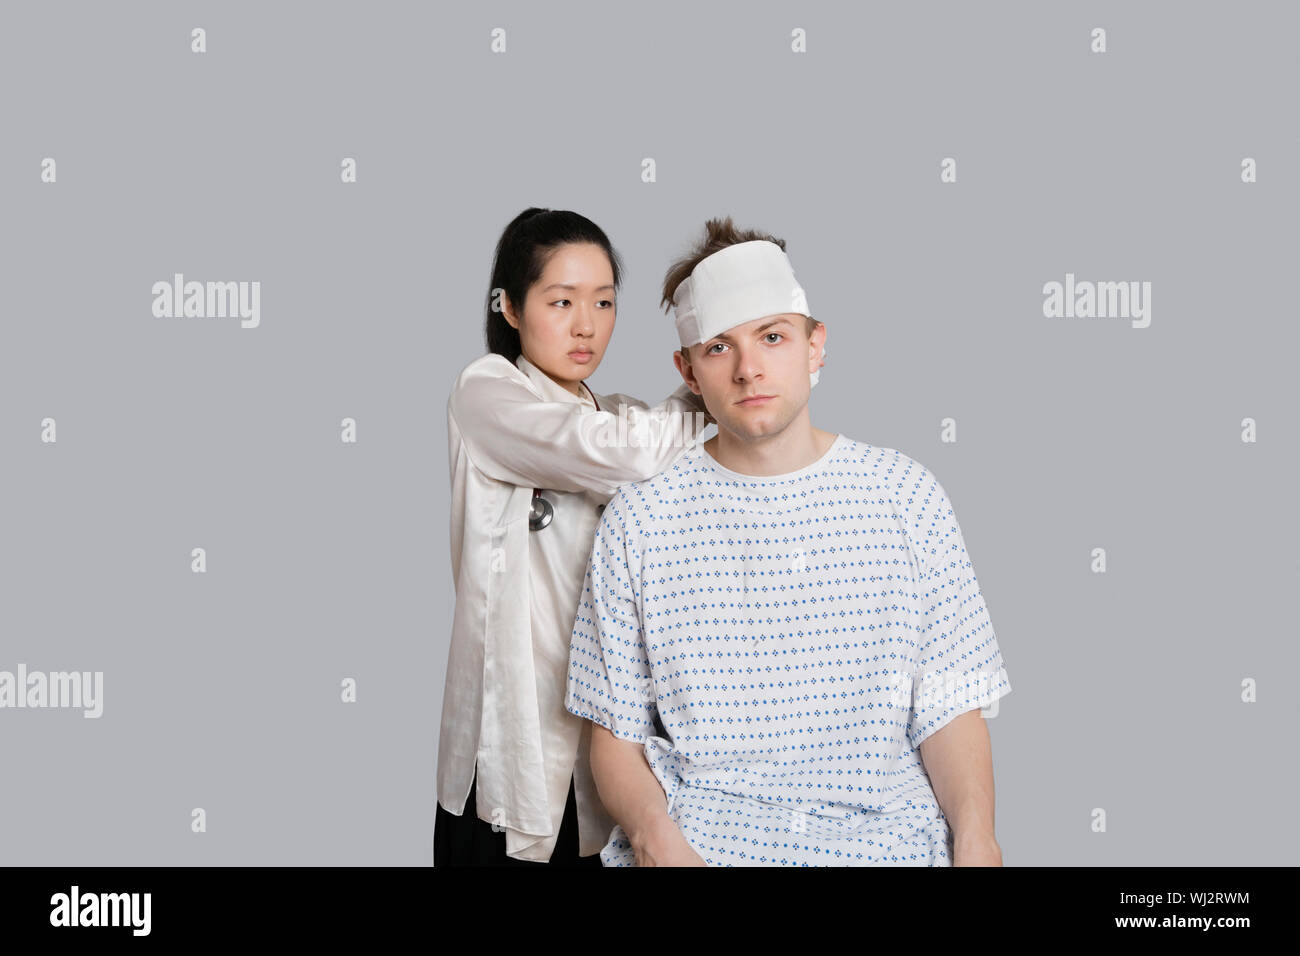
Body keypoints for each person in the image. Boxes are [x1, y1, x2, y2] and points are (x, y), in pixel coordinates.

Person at [564, 217, 1011, 866]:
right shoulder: (640, 521)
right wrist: (658, 842)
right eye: (720, 347)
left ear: (814, 346)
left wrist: (978, 841)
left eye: (772, 337)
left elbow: (949, 709)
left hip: (887, 847)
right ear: (687, 370)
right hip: (704, 844)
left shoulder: (906, 496)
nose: (749, 369)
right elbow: (614, 733)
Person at [435, 208, 745, 866]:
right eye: (562, 301)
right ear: (511, 308)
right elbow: (616, 453)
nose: (586, 324)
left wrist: (727, 368)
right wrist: (710, 389)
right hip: (509, 760)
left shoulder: (625, 415)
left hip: (605, 760)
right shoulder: (488, 394)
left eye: (604, 302)